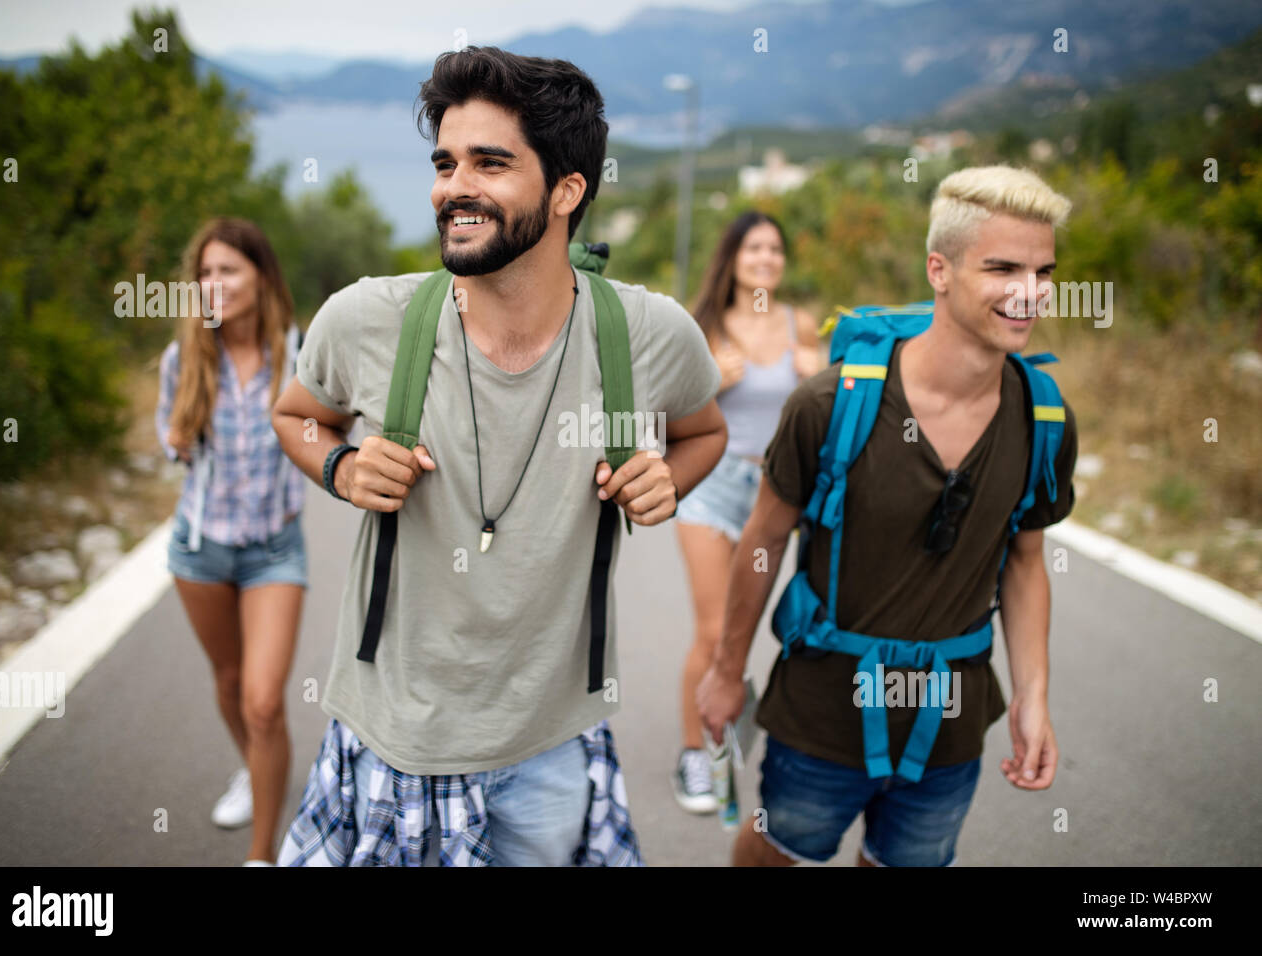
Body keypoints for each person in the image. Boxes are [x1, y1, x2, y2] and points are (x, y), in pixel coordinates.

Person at [270, 46, 726, 867]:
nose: (454, 187)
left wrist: (667, 480)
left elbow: (703, 432)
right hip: (392, 740)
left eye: (489, 162)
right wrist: (340, 467)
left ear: (566, 190)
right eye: (445, 162)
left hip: (551, 747)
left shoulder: (650, 334)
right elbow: (298, 415)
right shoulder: (366, 318)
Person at [698, 165, 1079, 866]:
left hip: (952, 727)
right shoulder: (829, 405)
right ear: (940, 269)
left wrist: (1033, 695)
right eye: (1002, 268)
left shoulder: (1044, 415)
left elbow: (1026, 561)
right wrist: (727, 670)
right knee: (776, 852)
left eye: (1043, 271)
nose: (1030, 292)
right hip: (821, 716)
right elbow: (764, 539)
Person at [155, 217, 307, 867]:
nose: (215, 284)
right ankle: (255, 770)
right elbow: (169, 436)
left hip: (274, 550)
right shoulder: (184, 358)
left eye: (229, 271)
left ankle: (261, 856)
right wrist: (176, 441)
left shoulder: (298, 353)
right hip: (200, 548)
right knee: (228, 680)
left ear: (262, 277)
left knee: (265, 700)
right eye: (206, 274)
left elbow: (333, 421)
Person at [672, 212, 823, 813]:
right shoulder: (703, 326)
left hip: (775, 494)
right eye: (754, 248)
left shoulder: (801, 325)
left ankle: (730, 732)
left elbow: (829, 410)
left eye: (775, 249)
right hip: (710, 486)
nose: (766, 258)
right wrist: (708, 383)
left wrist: (826, 376)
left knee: (748, 627)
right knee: (712, 632)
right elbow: (665, 414)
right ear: (733, 258)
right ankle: (694, 756)